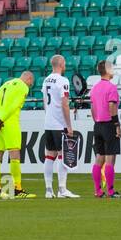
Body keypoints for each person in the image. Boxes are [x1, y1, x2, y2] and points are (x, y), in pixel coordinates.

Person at [0, 70, 34, 198]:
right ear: (29, 79)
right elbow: (14, 105)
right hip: (9, 122)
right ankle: (17, 189)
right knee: (14, 153)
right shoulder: (23, 86)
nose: (30, 86)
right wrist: (2, 120)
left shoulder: (5, 84)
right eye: (31, 83)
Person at [41, 55, 78, 199]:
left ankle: (48, 190)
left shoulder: (46, 80)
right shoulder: (63, 81)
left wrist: (48, 116)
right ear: (61, 64)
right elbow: (64, 104)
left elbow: (45, 102)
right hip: (59, 123)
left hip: (48, 122)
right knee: (63, 154)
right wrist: (69, 125)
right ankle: (62, 189)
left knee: (50, 156)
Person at [89, 59, 121, 199]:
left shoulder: (94, 88)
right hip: (109, 125)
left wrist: (97, 121)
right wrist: (117, 125)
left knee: (99, 159)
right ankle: (110, 190)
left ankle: (98, 190)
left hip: (97, 125)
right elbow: (112, 106)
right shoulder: (111, 88)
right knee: (110, 160)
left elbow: (92, 108)